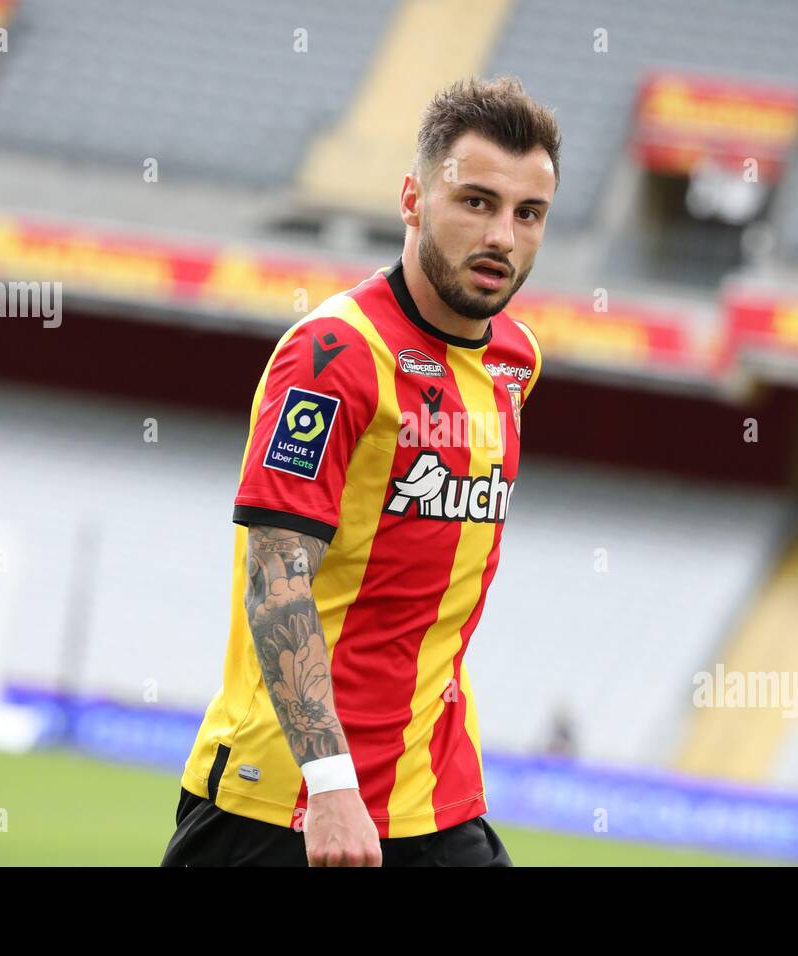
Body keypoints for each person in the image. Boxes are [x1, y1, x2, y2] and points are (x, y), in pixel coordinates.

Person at [162, 74, 560, 866]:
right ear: (412, 200)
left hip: (430, 798)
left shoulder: (516, 363)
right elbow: (277, 581)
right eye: (475, 202)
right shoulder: (330, 357)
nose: (503, 238)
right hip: (283, 806)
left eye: (528, 213)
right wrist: (332, 786)